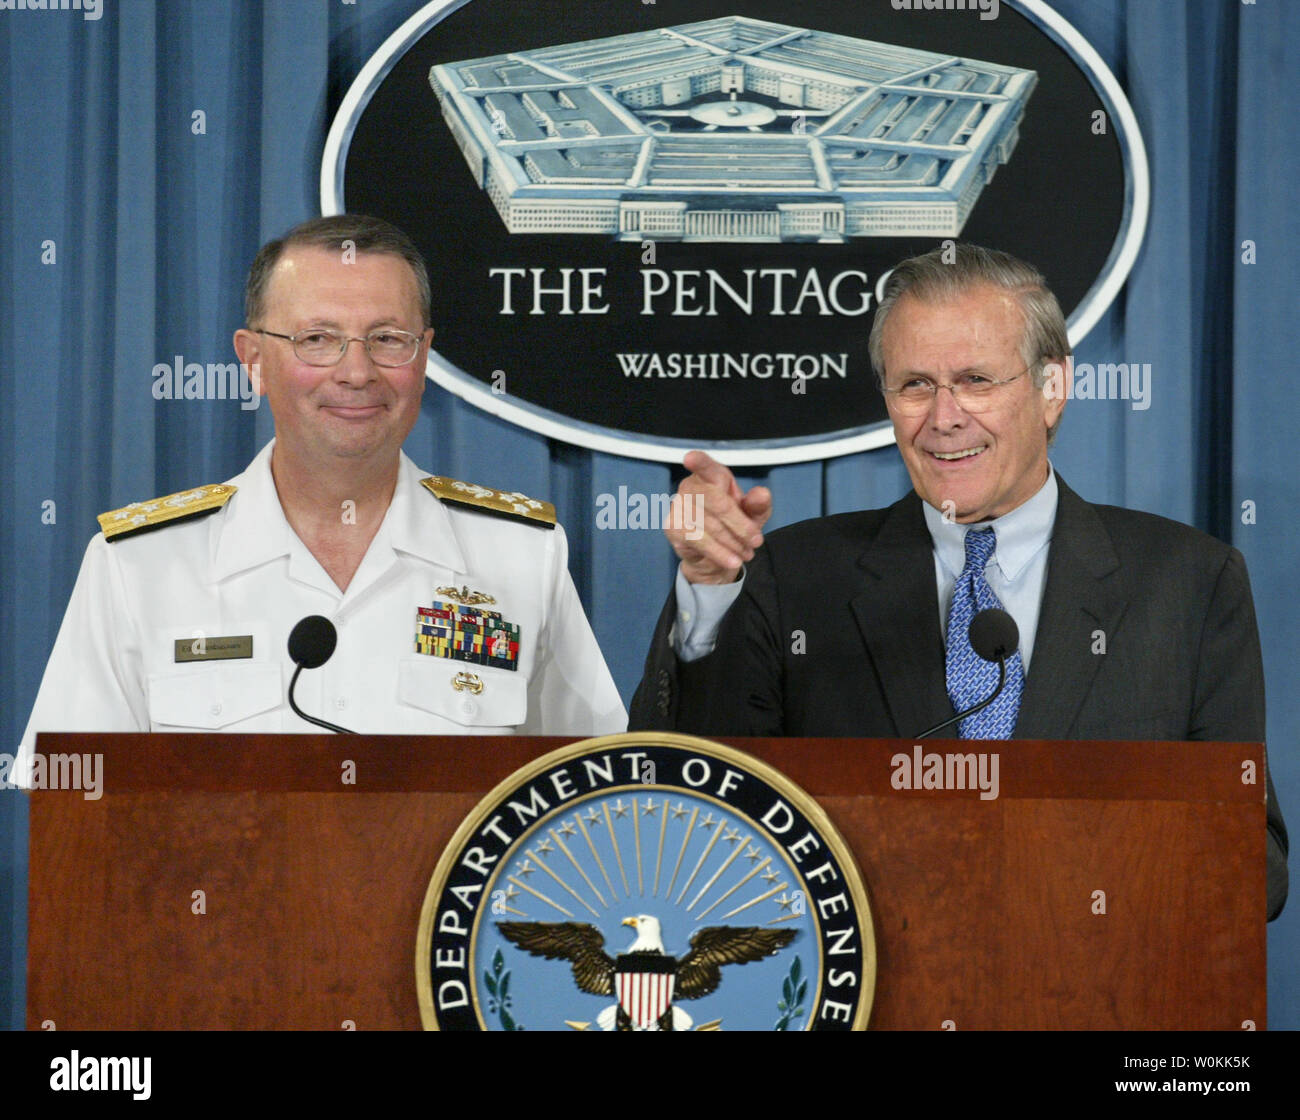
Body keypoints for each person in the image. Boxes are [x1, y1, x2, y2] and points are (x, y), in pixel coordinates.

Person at [629, 243, 1287, 920]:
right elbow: (691, 813)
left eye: (976, 380)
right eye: (915, 384)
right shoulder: (792, 579)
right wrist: (710, 592)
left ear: (1053, 389)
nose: (944, 418)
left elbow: (1252, 870)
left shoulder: (1188, 583)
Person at [14, 215, 624, 780]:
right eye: (317, 338)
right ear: (253, 360)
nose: (356, 372)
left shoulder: (520, 556)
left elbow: (589, 796)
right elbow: (73, 813)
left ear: (423, 355)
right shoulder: (138, 566)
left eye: (387, 338)